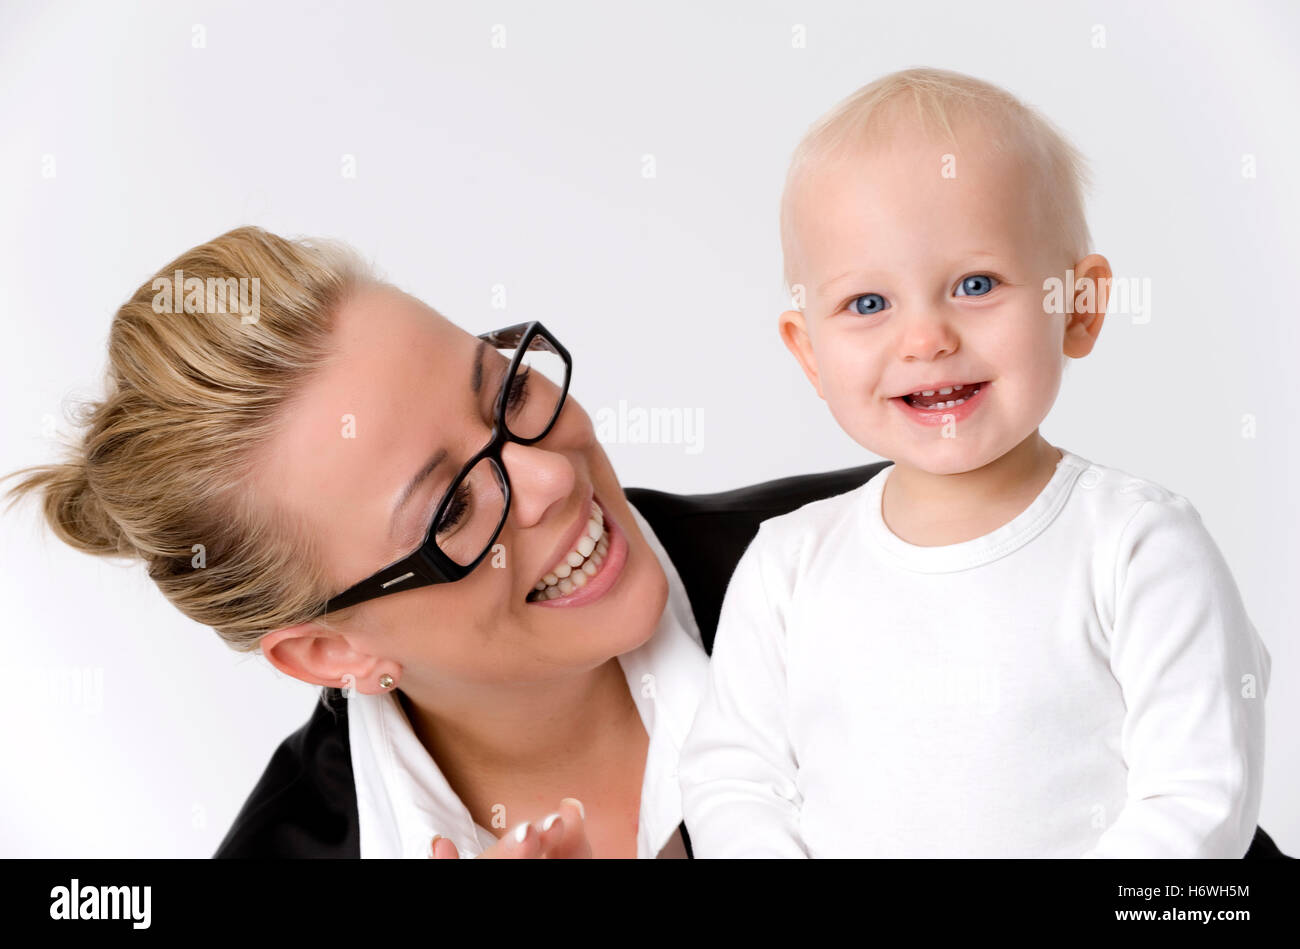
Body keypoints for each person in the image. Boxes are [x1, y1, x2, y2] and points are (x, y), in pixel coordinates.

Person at [4, 226, 1285, 860]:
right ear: (329, 648)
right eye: (450, 508)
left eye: (501, 385)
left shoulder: (918, 544)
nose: (555, 475)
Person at [679, 68, 1278, 857]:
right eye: (868, 304)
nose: (925, 338)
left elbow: (1200, 799)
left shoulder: (1138, 547)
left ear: (1081, 304)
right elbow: (735, 782)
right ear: (809, 352)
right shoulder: (788, 566)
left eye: (974, 283)